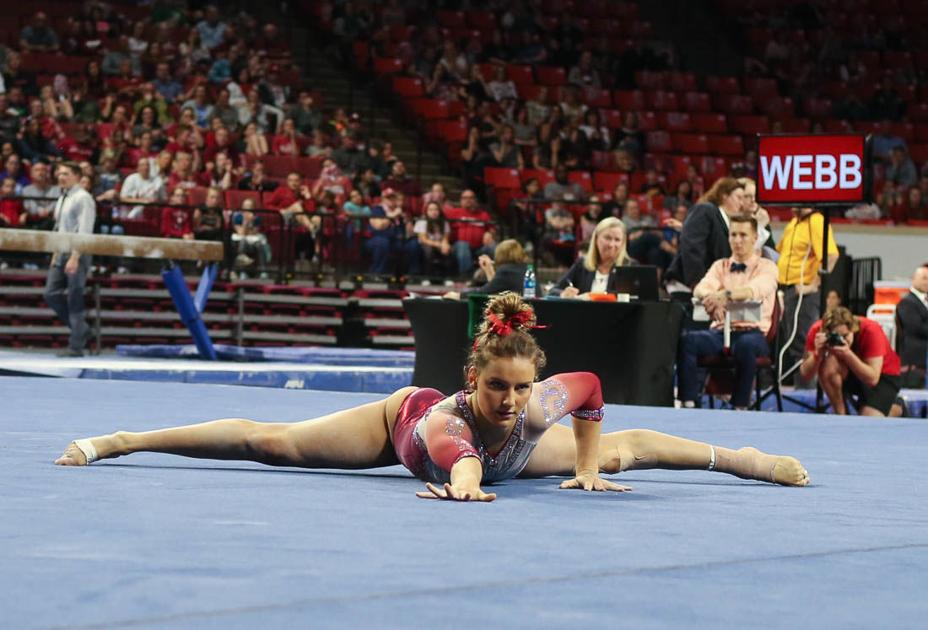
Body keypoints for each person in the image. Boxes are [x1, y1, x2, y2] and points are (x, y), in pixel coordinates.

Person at [55, 293, 810, 497]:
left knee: (624, 454)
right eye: (497, 389)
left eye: (521, 388)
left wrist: (584, 462)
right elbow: (464, 465)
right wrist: (469, 490)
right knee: (272, 443)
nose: (513, 400)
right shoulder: (450, 420)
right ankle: (124, 439)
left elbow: (594, 392)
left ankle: (742, 456)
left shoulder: (538, 402)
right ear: (471, 379)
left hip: (497, 460)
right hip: (402, 428)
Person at [677, 215, 779, 410]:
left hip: (754, 334)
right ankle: (688, 402)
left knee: (746, 346)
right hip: (719, 331)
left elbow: (754, 290)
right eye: (733, 235)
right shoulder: (720, 265)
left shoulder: (767, 267)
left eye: (743, 235)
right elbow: (701, 288)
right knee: (688, 340)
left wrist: (725, 295)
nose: (737, 240)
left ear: (755, 237)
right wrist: (713, 298)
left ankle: (740, 406)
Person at [799, 306, 903, 417]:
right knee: (827, 363)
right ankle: (840, 414)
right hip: (851, 373)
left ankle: (896, 408)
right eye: (836, 336)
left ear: (853, 329)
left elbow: (873, 379)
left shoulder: (871, 330)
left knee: (869, 421)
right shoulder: (817, 331)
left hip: (883, 376)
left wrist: (847, 354)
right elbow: (805, 374)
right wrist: (817, 355)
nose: (841, 341)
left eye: (845, 336)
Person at [776, 207, 839, 386]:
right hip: (787, 290)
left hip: (803, 293)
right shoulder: (794, 222)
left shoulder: (816, 221)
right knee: (792, 344)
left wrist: (813, 285)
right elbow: (780, 253)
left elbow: (831, 255)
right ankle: (802, 389)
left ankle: (807, 395)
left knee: (804, 345)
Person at [43, 162, 95, 357]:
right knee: (50, 293)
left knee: (74, 299)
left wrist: (75, 257)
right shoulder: (62, 197)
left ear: (76, 176)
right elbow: (60, 228)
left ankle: (76, 346)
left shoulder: (83, 198)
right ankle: (81, 329)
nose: (60, 176)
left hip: (77, 253)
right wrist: (56, 253)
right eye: (59, 173)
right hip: (62, 250)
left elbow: (84, 230)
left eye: (65, 173)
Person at [665, 177, 745, 294]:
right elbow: (692, 245)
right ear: (724, 195)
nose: (742, 203)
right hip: (687, 287)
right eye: (738, 198)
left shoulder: (728, 224)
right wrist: (697, 282)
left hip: (710, 289)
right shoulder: (706, 210)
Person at [548, 217, 633, 298]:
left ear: (623, 243)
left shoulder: (631, 266)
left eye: (617, 240)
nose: (611, 244)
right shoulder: (582, 264)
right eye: (607, 238)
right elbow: (553, 291)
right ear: (596, 239)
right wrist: (564, 294)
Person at [443, 239, 532, 300]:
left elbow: (484, 292)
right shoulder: (525, 268)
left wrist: (459, 295)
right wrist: (488, 269)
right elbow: (496, 288)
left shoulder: (506, 271)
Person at [896, 264, 928, 388]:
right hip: (914, 364)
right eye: (924, 278)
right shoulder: (907, 302)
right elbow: (916, 328)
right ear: (913, 279)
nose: (927, 282)